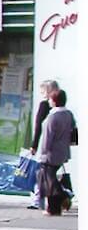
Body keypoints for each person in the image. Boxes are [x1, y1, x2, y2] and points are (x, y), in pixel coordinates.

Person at [35, 89, 76, 217]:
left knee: (49, 182)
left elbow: (47, 138)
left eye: (50, 99)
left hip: (50, 154)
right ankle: (55, 208)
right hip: (63, 151)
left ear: (54, 101)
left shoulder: (53, 117)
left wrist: (42, 153)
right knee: (51, 180)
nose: (49, 101)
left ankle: (61, 199)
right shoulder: (68, 114)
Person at [28, 80, 59, 209]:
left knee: (41, 173)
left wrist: (34, 145)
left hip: (44, 145)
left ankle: (38, 200)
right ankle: (52, 197)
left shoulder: (44, 105)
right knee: (49, 174)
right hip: (58, 147)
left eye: (42, 91)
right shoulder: (61, 107)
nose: (41, 94)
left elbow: (38, 127)